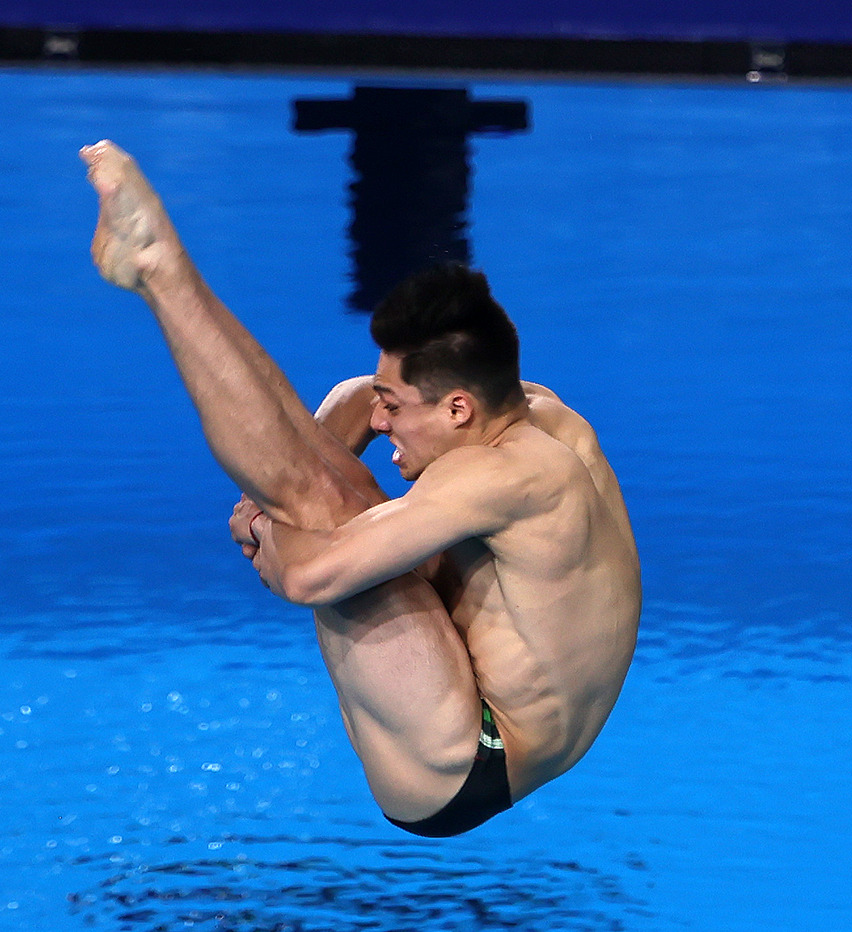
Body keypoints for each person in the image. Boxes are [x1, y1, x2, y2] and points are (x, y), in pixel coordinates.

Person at [82, 139, 640, 837]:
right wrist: (292, 470)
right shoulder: (542, 414)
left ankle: (159, 269)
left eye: (395, 407)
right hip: (524, 721)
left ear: (457, 408)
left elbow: (312, 576)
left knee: (324, 508)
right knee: (321, 484)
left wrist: (266, 525)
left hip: (466, 761)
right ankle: (153, 264)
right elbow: (354, 397)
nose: (380, 420)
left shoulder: (503, 475)